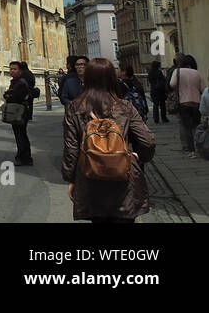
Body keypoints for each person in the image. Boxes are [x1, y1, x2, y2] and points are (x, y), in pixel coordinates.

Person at [60, 58, 157, 222]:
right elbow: (147, 140)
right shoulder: (124, 107)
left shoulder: (74, 108)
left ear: (87, 78)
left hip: (90, 176)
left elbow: (71, 149)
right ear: (112, 78)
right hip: (123, 176)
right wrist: (139, 157)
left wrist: (71, 178)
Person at [167, 55, 205, 158]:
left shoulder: (178, 72)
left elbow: (172, 84)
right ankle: (199, 147)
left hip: (183, 103)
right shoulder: (197, 73)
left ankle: (190, 150)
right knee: (196, 126)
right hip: (196, 103)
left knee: (186, 127)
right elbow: (203, 89)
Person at [4, 61, 33, 166]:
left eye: (14, 69)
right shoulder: (15, 82)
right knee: (21, 134)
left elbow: (16, 96)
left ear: (20, 71)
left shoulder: (20, 83)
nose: (12, 71)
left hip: (19, 112)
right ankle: (26, 157)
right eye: (11, 69)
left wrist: (8, 95)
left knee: (20, 135)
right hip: (18, 111)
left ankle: (22, 157)